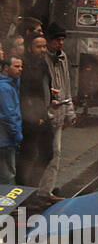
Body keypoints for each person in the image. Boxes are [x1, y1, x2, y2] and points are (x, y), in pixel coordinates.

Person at [41, 23, 73, 197]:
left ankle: (47, 190)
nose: (60, 43)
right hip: (46, 114)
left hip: (60, 113)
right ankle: (40, 190)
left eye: (62, 40)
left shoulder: (63, 58)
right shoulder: (43, 58)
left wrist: (70, 112)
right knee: (46, 154)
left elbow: (67, 84)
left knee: (56, 153)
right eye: (57, 40)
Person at [17, 34, 52, 189]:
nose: (43, 50)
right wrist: (34, 113)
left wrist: (51, 97)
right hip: (30, 118)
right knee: (28, 155)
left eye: (44, 46)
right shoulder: (24, 65)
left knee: (47, 152)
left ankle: (32, 188)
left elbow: (43, 88)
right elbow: (25, 93)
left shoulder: (43, 63)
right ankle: (23, 191)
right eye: (39, 46)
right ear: (30, 48)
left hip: (44, 114)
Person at [0, 52, 20, 185]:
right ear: (6, 67)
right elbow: (9, 114)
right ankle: (8, 205)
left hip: (7, 138)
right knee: (8, 175)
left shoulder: (10, 85)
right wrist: (17, 134)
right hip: (5, 139)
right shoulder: (4, 88)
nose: (20, 69)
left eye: (21, 66)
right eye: (16, 66)